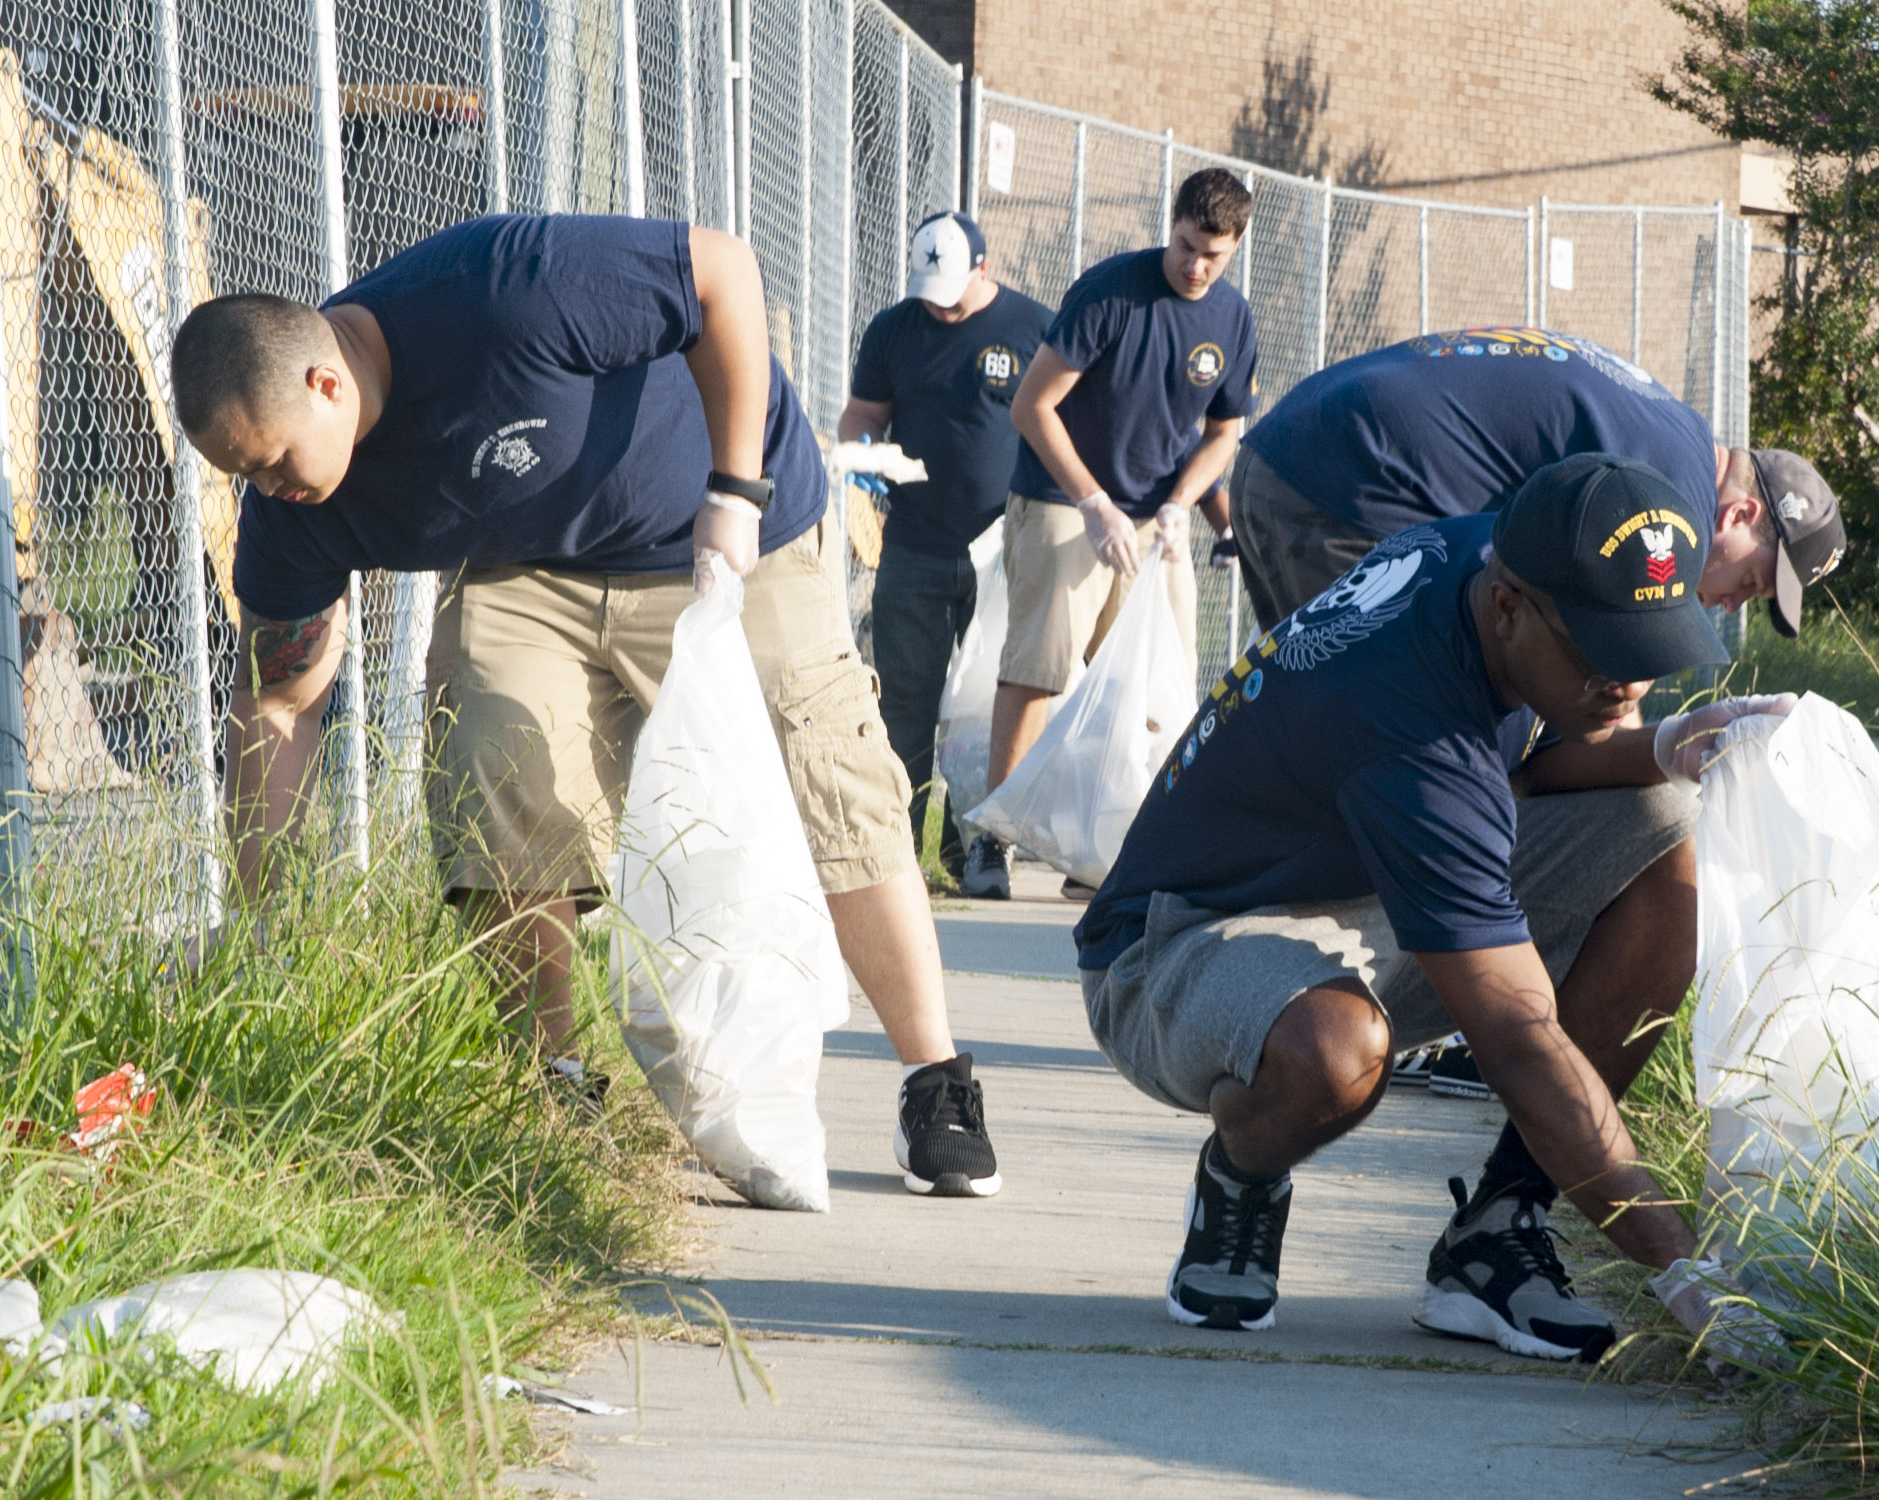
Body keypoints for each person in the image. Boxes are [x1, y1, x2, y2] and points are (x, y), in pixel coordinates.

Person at [170, 214, 1002, 1199]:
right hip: (531, 569)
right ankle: (557, 1083)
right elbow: (278, 704)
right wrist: (265, 925)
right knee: (490, 762)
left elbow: (722, 273)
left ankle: (932, 1076)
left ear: (325, 383)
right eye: (243, 475)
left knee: (826, 768)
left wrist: (734, 489)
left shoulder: (506, 290)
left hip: (725, 524)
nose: (266, 487)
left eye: (269, 460)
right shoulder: (292, 509)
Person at [1074, 453, 1789, 1365]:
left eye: (1647, 656)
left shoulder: (1492, 558)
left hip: (1366, 872)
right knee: (1335, 1056)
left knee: (1663, 822)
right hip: (1176, 942)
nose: (1633, 687)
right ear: (1509, 610)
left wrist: (1667, 745)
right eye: (1607, 659)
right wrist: (1686, 1274)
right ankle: (1242, 1173)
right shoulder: (1406, 727)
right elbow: (1520, 1042)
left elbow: (1521, 773)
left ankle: (1495, 1232)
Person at [963, 168, 1258, 901]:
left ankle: (1106, 850)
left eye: (1212, 256)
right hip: (1064, 499)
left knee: (1153, 685)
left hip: (1155, 516)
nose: (1195, 266)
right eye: (1187, 246)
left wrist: (1181, 503)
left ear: (1236, 249)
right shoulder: (1110, 292)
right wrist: (1092, 503)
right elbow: (1032, 407)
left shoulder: (1233, 318)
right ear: (1173, 225)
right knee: (1040, 666)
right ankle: (992, 838)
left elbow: (1226, 434)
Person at [1230, 325, 1847, 635]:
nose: (1730, 605)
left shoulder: (1673, 430)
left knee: (1304, 713)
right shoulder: (1675, 503)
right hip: (1342, 487)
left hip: (1295, 445)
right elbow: (1611, 675)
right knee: (1379, 739)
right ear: (1739, 515)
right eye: (1749, 581)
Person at [838, 211, 1051, 880]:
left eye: (952, 289)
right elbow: (863, 414)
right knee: (906, 700)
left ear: (984, 271)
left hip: (1002, 548)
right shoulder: (894, 330)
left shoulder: (1033, 328)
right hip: (914, 544)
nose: (939, 305)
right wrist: (865, 460)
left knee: (986, 704)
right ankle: (900, 852)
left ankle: (980, 845)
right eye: (928, 289)